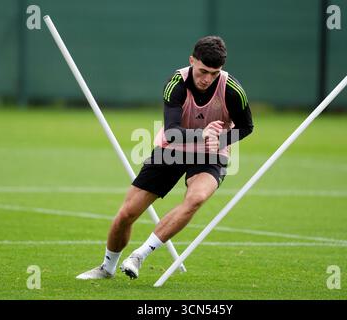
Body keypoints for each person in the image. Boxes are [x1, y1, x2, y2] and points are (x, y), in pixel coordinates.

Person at [76, 35, 254, 280]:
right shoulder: (176, 83)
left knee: (196, 198)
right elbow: (172, 131)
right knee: (128, 213)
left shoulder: (232, 90)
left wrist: (220, 140)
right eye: (203, 71)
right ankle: (107, 267)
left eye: (214, 74)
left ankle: (139, 255)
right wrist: (203, 134)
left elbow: (246, 127)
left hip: (210, 154)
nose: (207, 79)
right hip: (173, 148)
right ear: (192, 60)